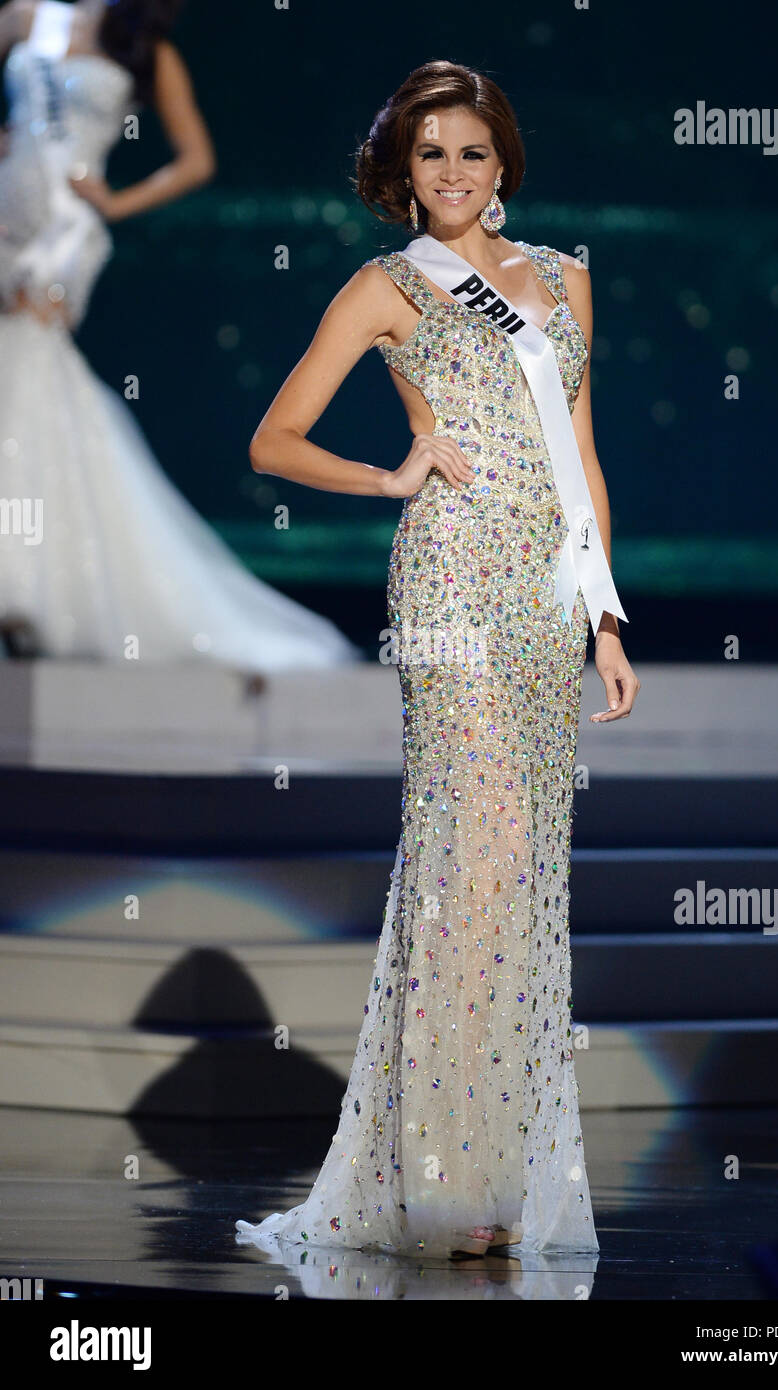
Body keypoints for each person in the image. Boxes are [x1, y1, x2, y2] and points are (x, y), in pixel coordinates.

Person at [235, 59, 640, 1261]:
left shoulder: (566, 279)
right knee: (463, 862)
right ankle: (438, 1187)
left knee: (517, 871)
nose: (452, 173)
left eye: (469, 151)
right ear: (401, 175)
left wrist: (606, 620)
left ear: (501, 164)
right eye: (429, 155)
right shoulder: (386, 287)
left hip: (542, 602)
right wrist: (385, 475)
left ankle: (488, 1176)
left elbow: (581, 457)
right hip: (450, 587)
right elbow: (272, 439)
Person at [0, 0, 356, 670]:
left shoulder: (143, 46)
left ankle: (32, 580)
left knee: (29, 357)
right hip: (5, 204)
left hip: (63, 231)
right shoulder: (24, 16)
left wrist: (115, 203)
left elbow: (196, 159)